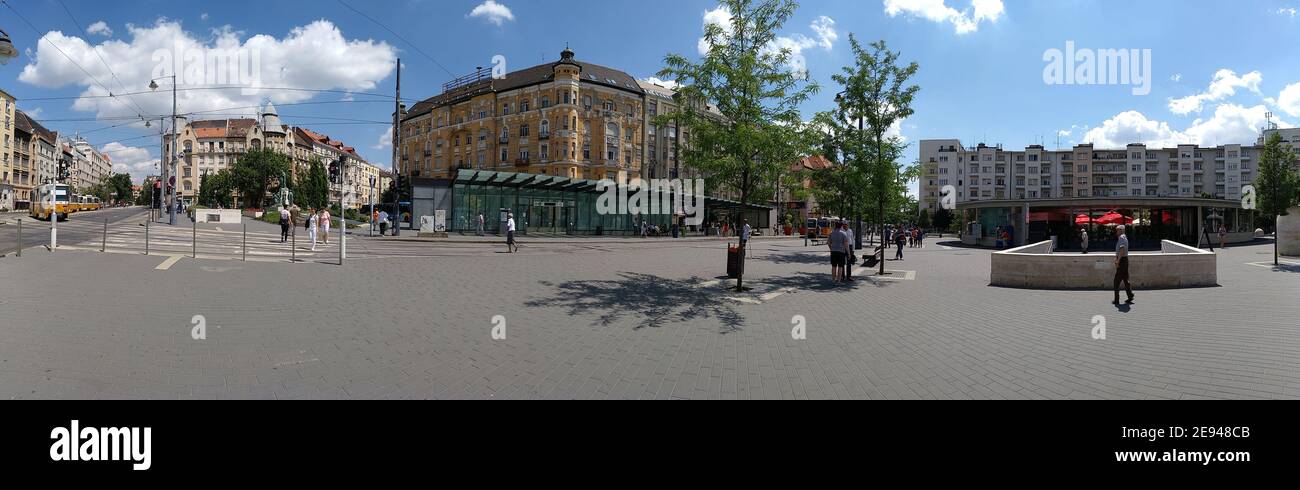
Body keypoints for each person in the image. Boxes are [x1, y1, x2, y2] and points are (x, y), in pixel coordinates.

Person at [1113, 225, 1134, 305]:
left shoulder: (1121, 237)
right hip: (1125, 260)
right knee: (1125, 279)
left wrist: (1118, 261)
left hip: (1122, 260)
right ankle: (1130, 296)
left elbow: (1122, 249)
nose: (1116, 232)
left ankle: (1116, 300)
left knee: (1116, 281)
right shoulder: (1124, 237)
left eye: (1117, 230)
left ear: (1121, 230)